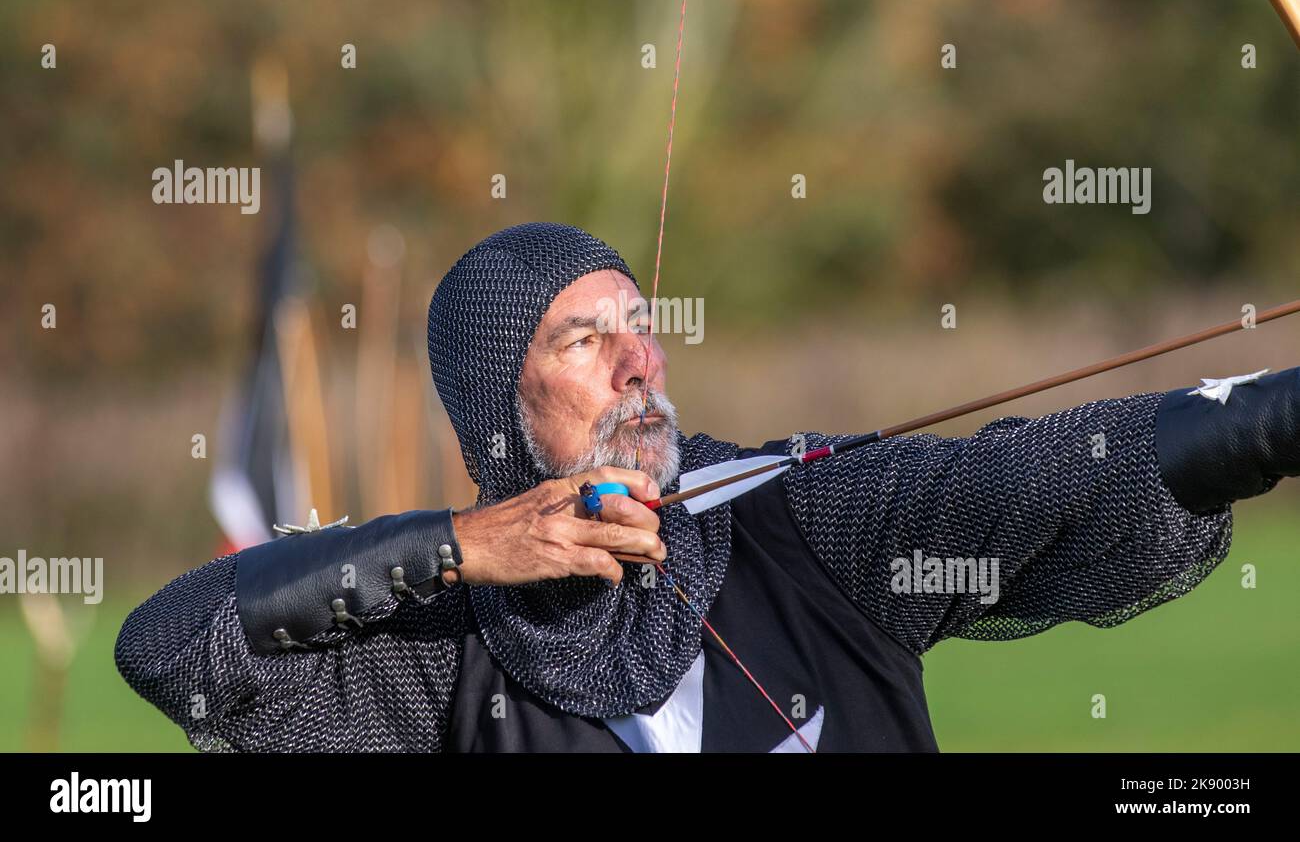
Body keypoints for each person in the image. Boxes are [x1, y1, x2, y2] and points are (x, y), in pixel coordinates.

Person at [115, 222, 1300, 751]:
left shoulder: (805, 517)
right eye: (584, 341)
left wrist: (1269, 418)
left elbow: (1052, 466)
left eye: (640, 326)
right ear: (498, 415)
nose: (640, 359)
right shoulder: (435, 655)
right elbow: (168, 645)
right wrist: (466, 550)